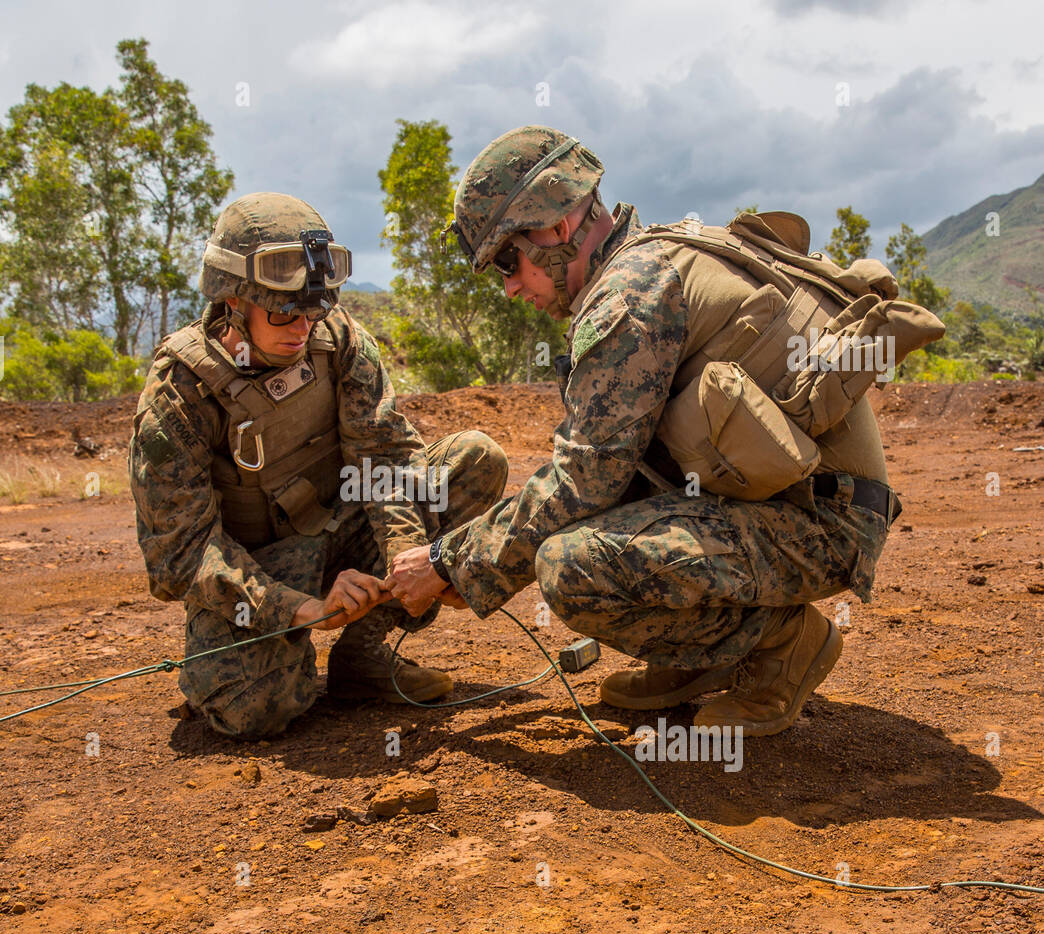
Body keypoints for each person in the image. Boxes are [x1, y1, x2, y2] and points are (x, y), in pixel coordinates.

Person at [387, 125, 909, 737]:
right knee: (589, 522)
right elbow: (611, 464)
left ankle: (778, 646)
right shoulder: (651, 258)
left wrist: (453, 560)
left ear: (557, 227)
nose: (508, 284)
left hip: (821, 526)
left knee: (570, 564)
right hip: (786, 504)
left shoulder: (630, 295)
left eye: (508, 258)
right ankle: (694, 659)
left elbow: (585, 478)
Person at [129, 192, 508, 737]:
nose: (301, 327)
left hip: (347, 527)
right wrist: (294, 610)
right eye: (283, 311)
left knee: (474, 461)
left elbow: (383, 457)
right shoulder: (180, 392)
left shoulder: (341, 341)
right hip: (260, 567)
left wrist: (407, 561)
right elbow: (179, 555)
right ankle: (274, 662)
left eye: (313, 310)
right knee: (254, 710)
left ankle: (362, 658)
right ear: (234, 302)